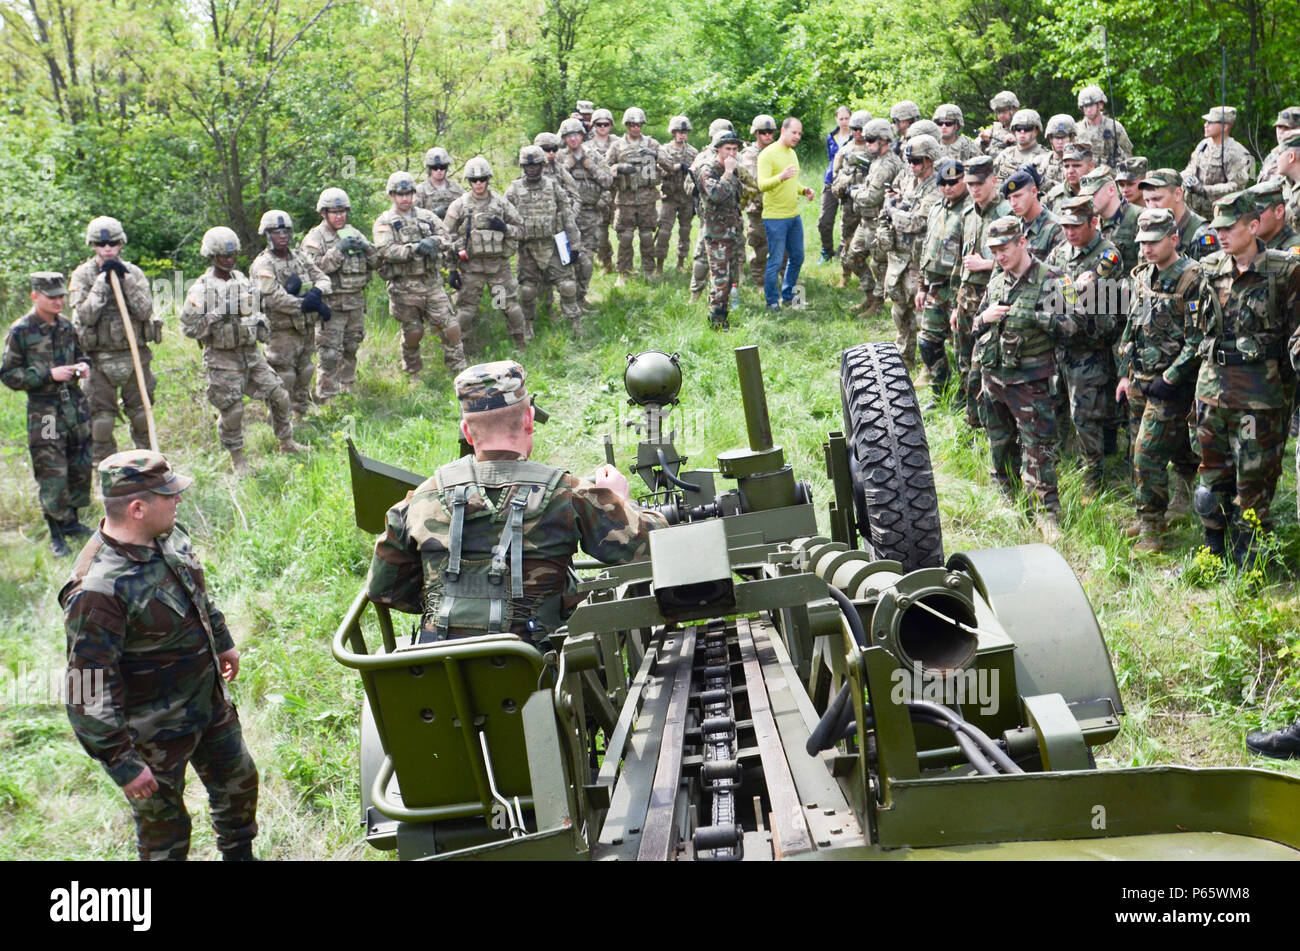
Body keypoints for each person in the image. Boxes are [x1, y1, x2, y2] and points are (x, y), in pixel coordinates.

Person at [366, 361, 667, 647]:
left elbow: (384, 589)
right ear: (528, 419)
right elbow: (654, 547)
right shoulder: (569, 494)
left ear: (468, 433)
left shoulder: (420, 498)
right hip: (542, 675)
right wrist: (622, 501)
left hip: (437, 675)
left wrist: (444, 602)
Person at [60, 451, 258, 860]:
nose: (178, 500)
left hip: (207, 703)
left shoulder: (167, 535)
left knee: (239, 787)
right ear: (137, 508)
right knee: (165, 835)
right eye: (169, 495)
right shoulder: (97, 590)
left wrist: (221, 638)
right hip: (152, 733)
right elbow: (85, 689)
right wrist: (121, 763)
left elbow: (196, 591)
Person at [1192, 191, 1300, 564]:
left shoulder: (1284, 271)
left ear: (1254, 227)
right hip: (1212, 392)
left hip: (1258, 398)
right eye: (1217, 227)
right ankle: (1211, 552)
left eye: (1230, 227)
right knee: (1210, 476)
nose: (1221, 235)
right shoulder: (1208, 268)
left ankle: (1251, 560)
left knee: (1252, 479)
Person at [971, 216, 1079, 542]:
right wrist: (983, 318)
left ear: (1021, 242)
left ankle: (1047, 514)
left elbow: (1075, 324)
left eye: (1004, 248)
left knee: (1039, 450)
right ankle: (1006, 498)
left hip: (1031, 382)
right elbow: (976, 324)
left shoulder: (1054, 279)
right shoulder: (997, 280)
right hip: (994, 378)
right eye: (994, 250)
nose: (1000, 256)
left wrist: (1031, 316)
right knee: (999, 444)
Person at [180, 227, 303, 475]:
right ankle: (238, 460)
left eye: (232, 254)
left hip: (251, 353)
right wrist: (222, 311)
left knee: (279, 395)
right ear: (212, 257)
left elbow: (255, 309)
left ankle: (286, 441)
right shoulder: (201, 289)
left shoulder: (241, 279)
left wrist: (257, 321)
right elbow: (189, 328)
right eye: (223, 256)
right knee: (233, 410)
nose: (229, 259)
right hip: (222, 357)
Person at [1115, 207, 1203, 552]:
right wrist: (1125, 374)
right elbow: (1132, 327)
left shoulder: (1192, 278)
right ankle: (1153, 513)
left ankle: (1153, 527)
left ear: (1173, 238)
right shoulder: (1142, 276)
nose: (1147, 248)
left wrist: (1171, 377)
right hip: (1140, 379)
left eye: (1154, 241)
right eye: (1143, 242)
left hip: (1171, 385)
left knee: (1147, 454)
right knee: (1154, 446)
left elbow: (1199, 339)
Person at [2, 271, 92, 555]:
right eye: (51, 297)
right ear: (35, 296)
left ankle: (73, 524)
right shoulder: (21, 331)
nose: (58, 302)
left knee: (79, 465)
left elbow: (82, 353)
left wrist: (83, 365)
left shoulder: (66, 326)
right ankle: (56, 532)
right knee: (52, 469)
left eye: (61, 296)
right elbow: (8, 374)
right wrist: (47, 374)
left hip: (74, 408)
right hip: (47, 413)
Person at [1045, 195, 1125, 496]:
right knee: (1056, 408)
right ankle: (1059, 467)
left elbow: (1095, 292)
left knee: (1086, 416)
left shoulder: (1107, 255)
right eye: (1065, 226)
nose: (1070, 232)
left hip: (1090, 349)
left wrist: (1071, 295)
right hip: (1061, 345)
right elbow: (1048, 289)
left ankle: (1093, 478)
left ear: (1094, 222)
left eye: (1076, 226)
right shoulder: (1059, 253)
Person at [67, 217, 159, 466]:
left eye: (113, 243)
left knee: (142, 416)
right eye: (100, 243)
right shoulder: (82, 276)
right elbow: (85, 316)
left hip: (134, 356)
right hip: (98, 360)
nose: (107, 248)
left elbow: (144, 311)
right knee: (101, 423)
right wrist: (101, 284)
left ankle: (148, 467)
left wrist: (125, 281)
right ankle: (106, 474)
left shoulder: (134, 272)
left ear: (121, 244)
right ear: (92, 245)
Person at [373, 171, 467, 375]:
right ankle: (412, 372)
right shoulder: (385, 222)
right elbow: (385, 250)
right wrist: (415, 248)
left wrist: (433, 241)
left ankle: (460, 372)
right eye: (400, 194)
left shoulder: (427, 216)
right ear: (392, 196)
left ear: (414, 194)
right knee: (413, 332)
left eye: (408, 193)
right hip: (404, 288)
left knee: (450, 328)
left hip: (432, 283)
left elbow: (446, 238)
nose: (405, 198)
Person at [249, 210, 333, 418]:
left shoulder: (299, 257)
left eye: (286, 231)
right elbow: (274, 298)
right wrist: (306, 304)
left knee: (305, 371)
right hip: (281, 330)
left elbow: (323, 278)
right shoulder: (264, 264)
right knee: (284, 376)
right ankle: (279, 420)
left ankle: (300, 414)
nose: (282, 236)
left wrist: (317, 292)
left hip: (304, 328)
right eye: (277, 232)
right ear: (267, 235)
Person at [443, 156, 530, 349]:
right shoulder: (459, 206)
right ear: (468, 181)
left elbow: (522, 230)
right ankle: (458, 350)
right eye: (474, 180)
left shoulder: (501, 203)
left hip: (497, 269)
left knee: (508, 306)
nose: (479, 183)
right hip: (471, 270)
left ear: (488, 179)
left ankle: (520, 345)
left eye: (482, 179)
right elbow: (445, 237)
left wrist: (504, 228)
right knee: (466, 311)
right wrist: (452, 269)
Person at [953, 156, 1012, 428]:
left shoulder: (1007, 215)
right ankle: (971, 420)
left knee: (985, 365)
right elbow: (961, 262)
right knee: (964, 360)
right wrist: (957, 304)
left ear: (993, 181)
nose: (974, 189)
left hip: (993, 300)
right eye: (969, 184)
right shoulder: (969, 213)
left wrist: (986, 264)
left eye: (979, 183)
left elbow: (1019, 262)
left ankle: (991, 425)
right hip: (968, 299)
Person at [302, 187, 376, 401]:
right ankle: (327, 398)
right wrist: (338, 250)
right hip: (331, 307)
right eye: (334, 212)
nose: (339, 216)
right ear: (324, 213)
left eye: (343, 211)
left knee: (351, 346)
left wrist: (367, 247)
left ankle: (347, 391)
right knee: (329, 354)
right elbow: (311, 270)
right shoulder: (315, 238)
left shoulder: (353, 232)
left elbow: (376, 261)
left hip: (355, 303)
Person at [505, 145, 583, 336]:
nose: (531, 169)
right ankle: (528, 325)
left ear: (542, 165)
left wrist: (574, 245)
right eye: (527, 166)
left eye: (535, 165)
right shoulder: (514, 189)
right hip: (527, 248)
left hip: (554, 244)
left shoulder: (552, 186)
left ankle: (575, 323)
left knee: (567, 285)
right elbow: (504, 217)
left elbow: (567, 216)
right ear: (522, 167)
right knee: (528, 290)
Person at [883, 134, 942, 372]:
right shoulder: (908, 180)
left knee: (922, 316)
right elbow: (893, 206)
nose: (912, 165)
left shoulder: (938, 187)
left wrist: (892, 213)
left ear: (930, 160)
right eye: (909, 160)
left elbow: (917, 222)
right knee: (899, 309)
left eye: (917, 161)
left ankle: (930, 368)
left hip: (919, 260)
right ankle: (904, 356)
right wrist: (890, 213)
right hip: (899, 257)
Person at [915, 159, 972, 403]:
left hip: (959, 287)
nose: (948, 187)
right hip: (936, 287)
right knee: (927, 341)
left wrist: (962, 299)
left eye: (954, 182)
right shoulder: (937, 208)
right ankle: (941, 391)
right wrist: (922, 287)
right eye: (943, 183)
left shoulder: (971, 210)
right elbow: (927, 248)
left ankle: (964, 398)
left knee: (963, 347)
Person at [757, 116, 816, 310]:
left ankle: (789, 295)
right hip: (775, 218)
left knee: (798, 256)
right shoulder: (768, 154)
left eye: (800, 133)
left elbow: (793, 181)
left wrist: (803, 190)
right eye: (794, 132)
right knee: (775, 260)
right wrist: (780, 177)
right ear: (783, 131)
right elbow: (762, 184)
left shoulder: (792, 154)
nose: (797, 136)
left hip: (794, 216)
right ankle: (772, 301)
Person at [851, 118, 904, 316]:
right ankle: (870, 296)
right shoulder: (877, 161)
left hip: (876, 222)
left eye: (871, 140)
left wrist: (853, 193)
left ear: (884, 140)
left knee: (878, 265)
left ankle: (878, 303)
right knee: (853, 256)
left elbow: (872, 196)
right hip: (866, 221)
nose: (867, 144)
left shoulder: (887, 164)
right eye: (866, 139)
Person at [560, 116, 613, 309]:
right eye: (569, 136)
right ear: (565, 138)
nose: (573, 139)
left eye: (576, 135)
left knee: (587, 260)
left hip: (590, 215)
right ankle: (568, 300)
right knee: (566, 260)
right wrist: (567, 167)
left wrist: (591, 167)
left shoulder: (596, 156)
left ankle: (581, 297)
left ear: (582, 136)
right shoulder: (558, 158)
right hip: (566, 217)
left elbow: (608, 181)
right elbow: (549, 184)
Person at [606, 107, 661, 286]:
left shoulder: (652, 144)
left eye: (638, 125)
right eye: (631, 125)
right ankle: (623, 272)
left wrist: (656, 155)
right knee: (625, 237)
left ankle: (649, 271)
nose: (635, 128)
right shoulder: (616, 146)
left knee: (647, 237)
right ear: (626, 125)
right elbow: (603, 169)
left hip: (648, 198)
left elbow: (669, 165)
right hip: (625, 200)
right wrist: (617, 169)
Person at [698, 129, 746, 328]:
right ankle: (716, 319)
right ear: (718, 149)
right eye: (728, 149)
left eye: (735, 149)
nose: (732, 153)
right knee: (720, 278)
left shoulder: (733, 168)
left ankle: (725, 312)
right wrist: (727, 172)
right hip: (717, 234)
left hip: (732, 231)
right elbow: (716, 195)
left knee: (732, 276)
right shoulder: (708, 170)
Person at [1181, 106, 1255, 219]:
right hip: (1193, 214)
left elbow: (1237, 187)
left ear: (1225, 126)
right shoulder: (1203, 145)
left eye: (1210, 122)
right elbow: (1190, 168)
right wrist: (1186, 179)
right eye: (1206, 122)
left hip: (1220, 218)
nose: (1205, 125)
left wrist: (1203, 190)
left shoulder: (1236, 153)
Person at [829, 111, 874, 288]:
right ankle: (845, 275)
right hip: (849, 206)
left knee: (873, 242)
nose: (858, 132)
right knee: (847, 240)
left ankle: (874, 278)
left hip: (870, 205)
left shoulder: (874, 152)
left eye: (861, 129)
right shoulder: (845, 151)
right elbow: (835, 174)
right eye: (854, 128)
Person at [1137, 167, 1218, 261]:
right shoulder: (1148, 230)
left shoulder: (1202, 234)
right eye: (1147, 201)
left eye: (1157, 199)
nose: (1151, 206)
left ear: (1178, 194)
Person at [654, 115, 698, 274]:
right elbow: (658, 171)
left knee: (685, 231)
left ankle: (680, 262)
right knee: (664, 231)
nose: (682, 134)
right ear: (673, 132)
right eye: (679, 131)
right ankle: (659, 265)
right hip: (669, 197)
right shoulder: (664, 150)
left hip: (686, 198)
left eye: (685, 132)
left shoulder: (693, 152)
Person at [739, 115, 777, 288]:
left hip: (778, 206)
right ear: (756, 133)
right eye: (764, 132)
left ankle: (786, 283)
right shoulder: (750, 154)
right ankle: (760, 283)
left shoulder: (778, 150)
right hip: (758, 207)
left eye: (770, 132)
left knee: (782, 247)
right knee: (761, 248)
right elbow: (754, 181)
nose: (768, 135)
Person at [1002, 167, 1063, 261]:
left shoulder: (1056, 228)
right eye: (1009, 198)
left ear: (1034, 192)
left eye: (1017, 196)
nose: (1013, 203)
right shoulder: (1014, 228)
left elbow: (1057, 270)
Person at [818, 106, 853, 262]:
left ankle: (843, 251)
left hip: (850, 181)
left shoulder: (857, 137)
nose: (844, 122)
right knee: (824, 220)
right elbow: (830, 158)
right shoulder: (831, 137)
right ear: (836, 119)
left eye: (847, 118)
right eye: (841, 118)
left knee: (847, 220)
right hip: (831, 181)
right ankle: (826, 251)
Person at [588, 108, 620, 272]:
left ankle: (625, 266)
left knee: (622, 230)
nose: (602, 127)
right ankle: (606, 261)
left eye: (606, 124)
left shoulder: (618, 143)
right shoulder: (586, 146)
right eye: (599, 124)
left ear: (611, 125)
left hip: (616, 192)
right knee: (600, 233)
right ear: (593, 125)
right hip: (597, 193)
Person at [1074, 85, 1132, 167]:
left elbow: (1128, 154)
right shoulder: (1076, 130)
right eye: (1085, 106)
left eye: (1091, 105)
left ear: (1100, 105)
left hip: (1111, 174)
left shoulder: (1115, 127)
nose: (1088, 109)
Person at [993, 110, 1054, 186]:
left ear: (1036, 130)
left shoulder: (1046, 157)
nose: (1022, 132)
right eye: (1018, 128)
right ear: (1014, 130)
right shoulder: (1004, 155)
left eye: (1027, 128)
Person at [415, 147, 465, 220]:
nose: (439, 170)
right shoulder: (420, 191)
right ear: (429, 169)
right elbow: (411, 214)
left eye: (442, 167)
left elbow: (468, 207)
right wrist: (433, 213)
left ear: (446, 168)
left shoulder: (457, 189)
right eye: (435, 168)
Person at [1044, 142, 1093, 215]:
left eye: (1076, 166)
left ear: (1091, 166)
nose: (1070, 171)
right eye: (1066, 166)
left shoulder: (1102, 194)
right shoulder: (1054, 195)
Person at [1258, 107, 1300, 183]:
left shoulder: (1297, 155)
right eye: (1279, 127)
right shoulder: (1271, 157)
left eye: (1287, 128)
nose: (1281, 132)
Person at [979, 90, 1019, 156]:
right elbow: (975, 155)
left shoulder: (1024, 129)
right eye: (998, 111)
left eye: (1005, 111)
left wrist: (1016, 142)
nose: (1001, 115)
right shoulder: (993, 130)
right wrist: (985, 142)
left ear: (1014, 110)